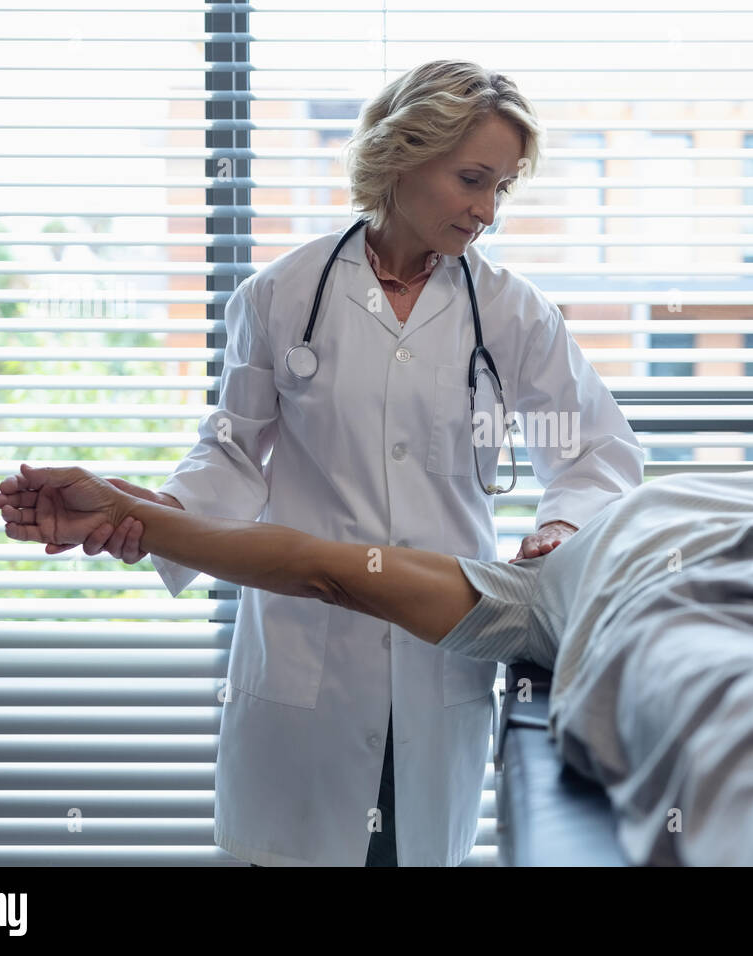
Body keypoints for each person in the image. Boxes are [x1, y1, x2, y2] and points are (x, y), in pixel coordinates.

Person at [41, 60, 644, 867]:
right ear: (402, 154)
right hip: (304, 663)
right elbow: (228, 458)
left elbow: (596, 451)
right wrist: (139, 516)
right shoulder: (281, 295)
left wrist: (562, 528)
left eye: (501, 188)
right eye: (472, 179)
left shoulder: (510, 311)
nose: (486, 210)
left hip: (439, 657)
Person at [0, 463, 753, 866]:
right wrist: (133, 508)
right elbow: (319, 563)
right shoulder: (528, 590)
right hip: (675, 615)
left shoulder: (734, 484)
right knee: (746, 732)